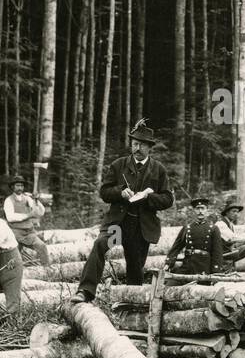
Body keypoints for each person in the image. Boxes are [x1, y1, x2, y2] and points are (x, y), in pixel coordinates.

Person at [72, 121, 174, 303]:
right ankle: (85, 291)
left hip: (140, 228)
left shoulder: (159, 170)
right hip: (119, 225)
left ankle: (130, 307)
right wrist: (120, 193)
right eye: (135, 143)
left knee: (135, 270)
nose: (138, 148)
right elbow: (104, 192)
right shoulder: (118, 165)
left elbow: (167, 199)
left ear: (150, 147)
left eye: (142, 144)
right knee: (100, 245)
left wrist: (148, 198)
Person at [3, 173, 51, 272]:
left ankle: (47, 270)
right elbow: (10, 217)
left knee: (41, 246)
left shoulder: (28, 198)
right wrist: (28, 215)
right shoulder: (8, 200)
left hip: (29, 231)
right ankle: (10, 275)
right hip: (15, 233)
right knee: (14, 257)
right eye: (17, 185)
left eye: (21, 185)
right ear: (13, 187)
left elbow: (40, 212)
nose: (20, 188)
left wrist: (36, 200)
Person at [165, 198, 224, 275]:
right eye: (197, 208)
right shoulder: (187, 228)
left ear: (207, 210)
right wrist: (168, 263)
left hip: (204, 268)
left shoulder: (213, 228)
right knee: (170, 285)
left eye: (202, 208)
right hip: (188, 266)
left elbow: (217, 252)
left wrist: (215, 270)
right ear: (193, 211)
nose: (200, 211)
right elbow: (176, 247)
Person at [213, 203, 245, 270]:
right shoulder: (220, 224)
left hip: (228, 252)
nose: (236, 214)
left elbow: (235, 242)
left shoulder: (230, 224)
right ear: (227, 212)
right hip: (221, 255)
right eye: (233, 211)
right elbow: (232, 238)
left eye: (237, 212)